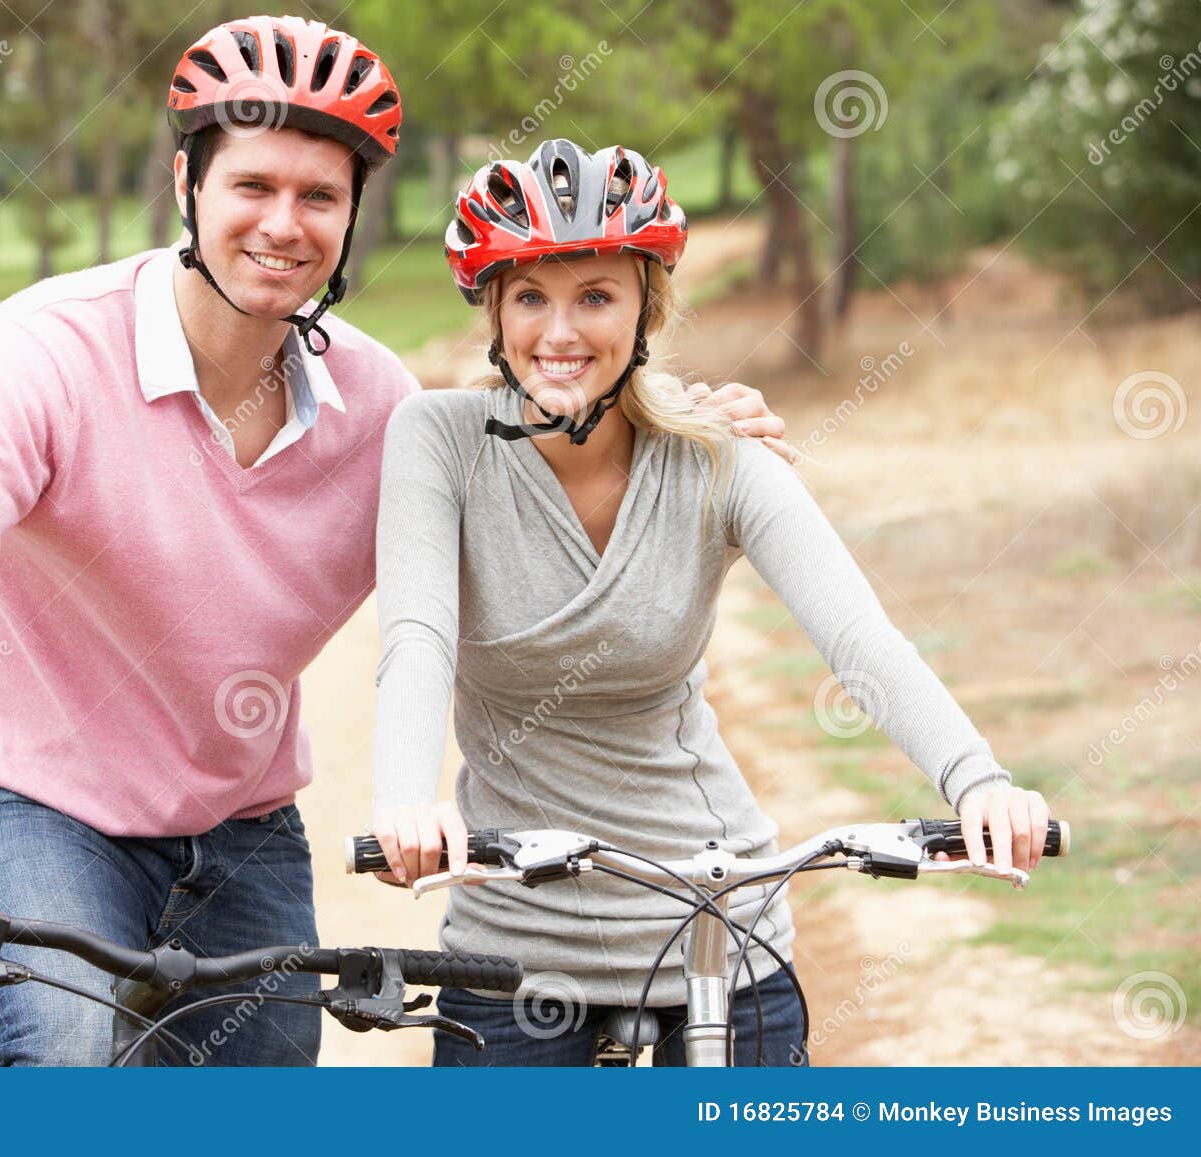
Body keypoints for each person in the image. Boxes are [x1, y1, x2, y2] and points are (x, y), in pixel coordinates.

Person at [0, 17, 795, 1067]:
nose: (284, 223)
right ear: (188, 186)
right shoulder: (38, 356)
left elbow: (527, 497)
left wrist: (675, 432)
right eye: (252, 186)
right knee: (66, 1047)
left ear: (353, 216)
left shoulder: (378, 410)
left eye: (319, 197)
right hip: (30, 804)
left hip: (238, 820)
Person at [366, 139, 1054, 1066]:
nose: (558, 331)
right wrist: (407, 800)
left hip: (716, 924)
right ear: (492, 308)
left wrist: (978, 780)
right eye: (530, 295)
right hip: (516, 935)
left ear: (648, 306)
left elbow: (858, 637)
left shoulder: (718, 451)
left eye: (596, 296)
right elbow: (418, 637)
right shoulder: (439, 440)